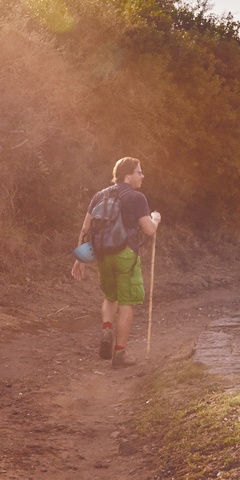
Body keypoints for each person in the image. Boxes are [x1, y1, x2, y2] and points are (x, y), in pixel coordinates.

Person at [71, 157, 162, 367]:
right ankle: (119, 355)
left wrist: (80, 259)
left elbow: (85, 230)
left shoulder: (99, 196)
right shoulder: (136, 197)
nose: (142, 176)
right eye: (139, 172)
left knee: (110, 296)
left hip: (103, 255)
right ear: (128, 174)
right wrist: (155, 218)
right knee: (126, 302)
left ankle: (106, 330)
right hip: (126, 254)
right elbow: (149, 230)